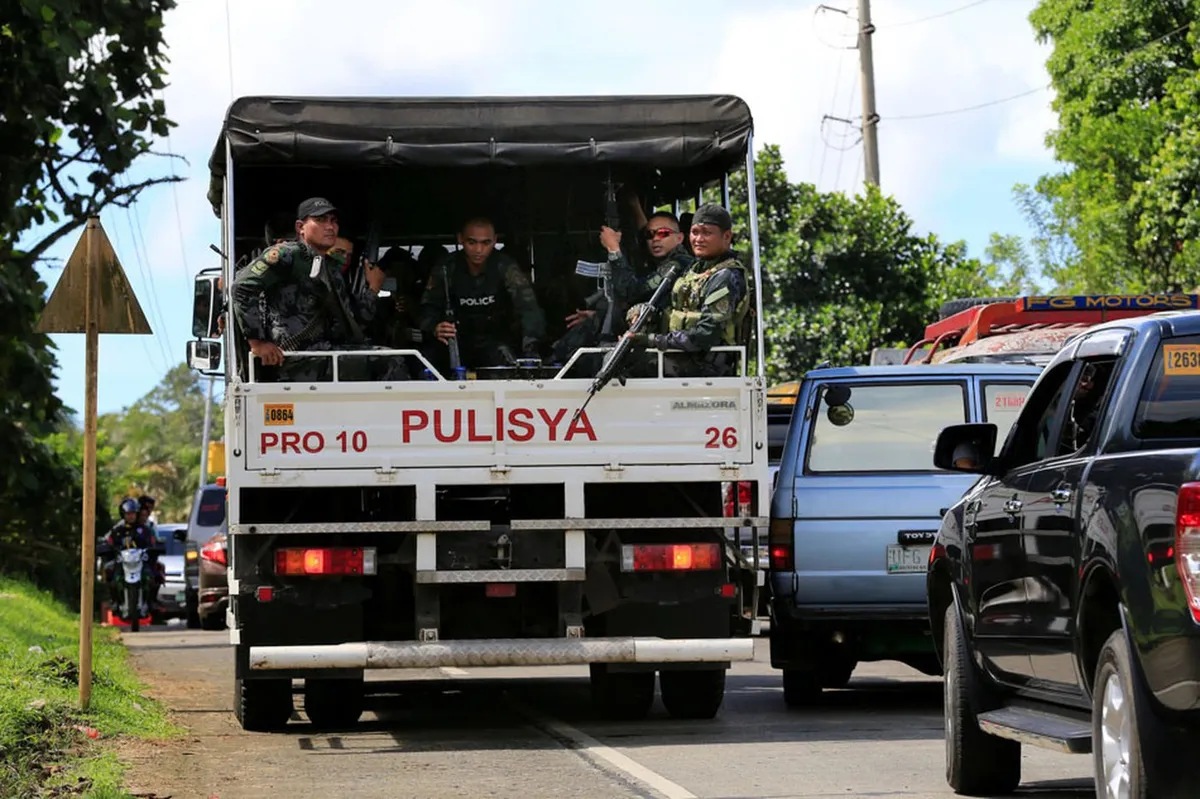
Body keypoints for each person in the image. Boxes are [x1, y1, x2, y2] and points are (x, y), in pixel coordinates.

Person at [231, 197, 402, 381]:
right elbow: (242, 287)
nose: (330, 227)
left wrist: (372, 290)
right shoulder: (287, 255)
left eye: (333, 221)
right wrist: (258, 343)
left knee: (391, 356)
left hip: (322, 355)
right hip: (292, 359)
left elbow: (351, 322)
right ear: (300, 228)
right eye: (320, 220)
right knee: (392, 361)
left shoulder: (331, 270)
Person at [624, 203, 751, 376]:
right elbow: (669, 307)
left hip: (706, 365)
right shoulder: (692, 269)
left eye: (707, 233)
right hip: (681, 355)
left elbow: (705, 335)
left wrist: (652, 340)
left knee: (630, 364)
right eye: (695, 232)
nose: (698, 239)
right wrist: (642, 312)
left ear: (726, 236)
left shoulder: (725, 276)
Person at [418, 217, 546, 370]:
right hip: (455, 342)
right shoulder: (446, 268)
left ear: (494, 241)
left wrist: (530, 348)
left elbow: (528, 308)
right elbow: (427, 307)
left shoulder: (505, 267)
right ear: (461, 240)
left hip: (496, 342)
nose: (478, 250)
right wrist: (435, 327)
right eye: (472, 242)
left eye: (485, 243)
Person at [99, 498, 159, 613]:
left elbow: (152, 542)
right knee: (112, 576)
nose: (131, 516)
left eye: (133, 514)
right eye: (128, 514)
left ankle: (151, 601)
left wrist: (153, 548)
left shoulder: (144, 529)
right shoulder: (117, 530)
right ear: (123, 514)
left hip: (140, 562)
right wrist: (106, 547)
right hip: (122, 562)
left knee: (151, 577)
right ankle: (115, 601)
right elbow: (109, 542)